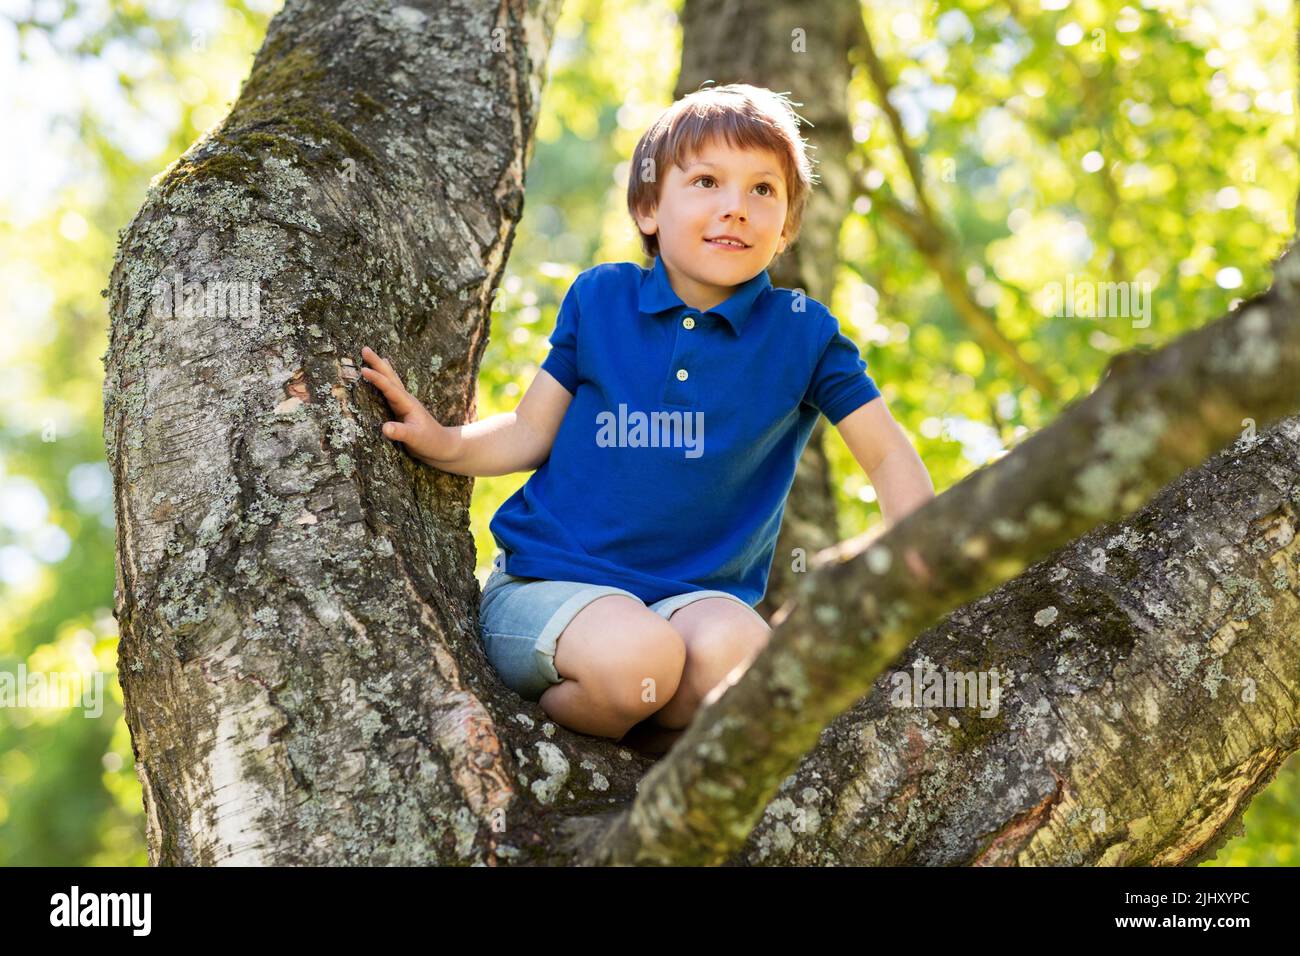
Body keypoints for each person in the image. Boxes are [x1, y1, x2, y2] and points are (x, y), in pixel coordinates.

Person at [359, 84, 934, 755]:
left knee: (748, 663)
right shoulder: (602, 298)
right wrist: (440, 439)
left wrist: (921, 572)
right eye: (707, 181)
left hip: (691, 606)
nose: (735, 208)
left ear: (788, 228)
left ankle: (645, 754)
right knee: (637, 660)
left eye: (762, 191)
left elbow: (888, 456)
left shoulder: (803, 334)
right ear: (648, 206)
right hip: (551, 588)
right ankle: (550, 745)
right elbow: (527, 431)